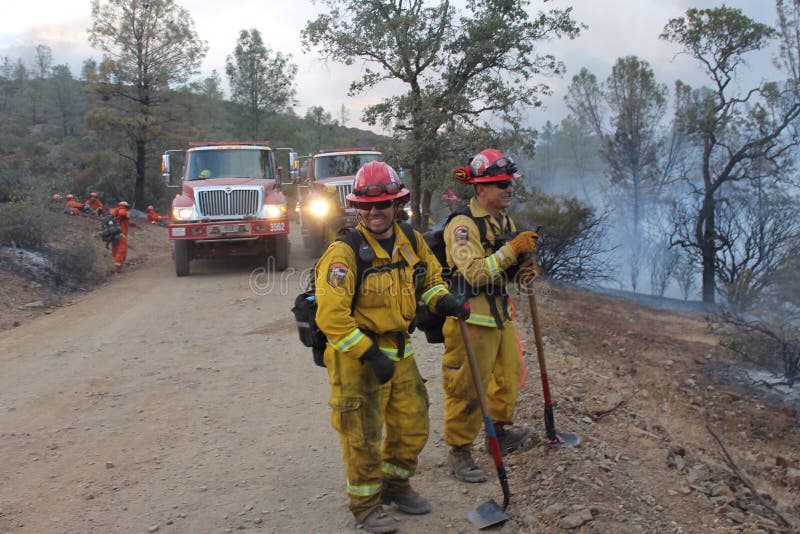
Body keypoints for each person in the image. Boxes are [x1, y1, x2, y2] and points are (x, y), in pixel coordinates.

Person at [314, 161, 469, 533]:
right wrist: (368, 353)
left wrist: (444, 300)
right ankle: (365, 507)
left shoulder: (410, 241)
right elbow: (331, 317)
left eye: (382, 205)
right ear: (356, 208)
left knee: (413, 423)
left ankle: (396, 486)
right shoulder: (344, 253)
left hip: (400, 351)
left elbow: (429, 280)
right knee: (363, 434)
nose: (373, 213)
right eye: (365, 207)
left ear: (397, 203)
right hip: (357, 358)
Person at [441, 148, 540, 484]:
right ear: (480, 188)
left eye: (510, 182)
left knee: (509, 377)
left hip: (499, 315)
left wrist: (521, 271)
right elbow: (474, 273)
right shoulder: (463, 226)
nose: (509, 188)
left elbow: (501, 269)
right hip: (470, 320)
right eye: (500, 184)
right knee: (468, 388)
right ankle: (459, 451)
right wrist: (512, 250)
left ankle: (498, 432)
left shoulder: (504, 222)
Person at [108, 201, 131, 271]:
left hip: (112, 233)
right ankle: (117, 266)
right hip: (121, 234)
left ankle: (117, 263)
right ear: (126, 207)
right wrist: (128, 214)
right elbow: (124, 215)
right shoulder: (123, 212)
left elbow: (121, 219)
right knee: (122, 249)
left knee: (115, 249)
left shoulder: (113, 211)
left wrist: (131, 223)